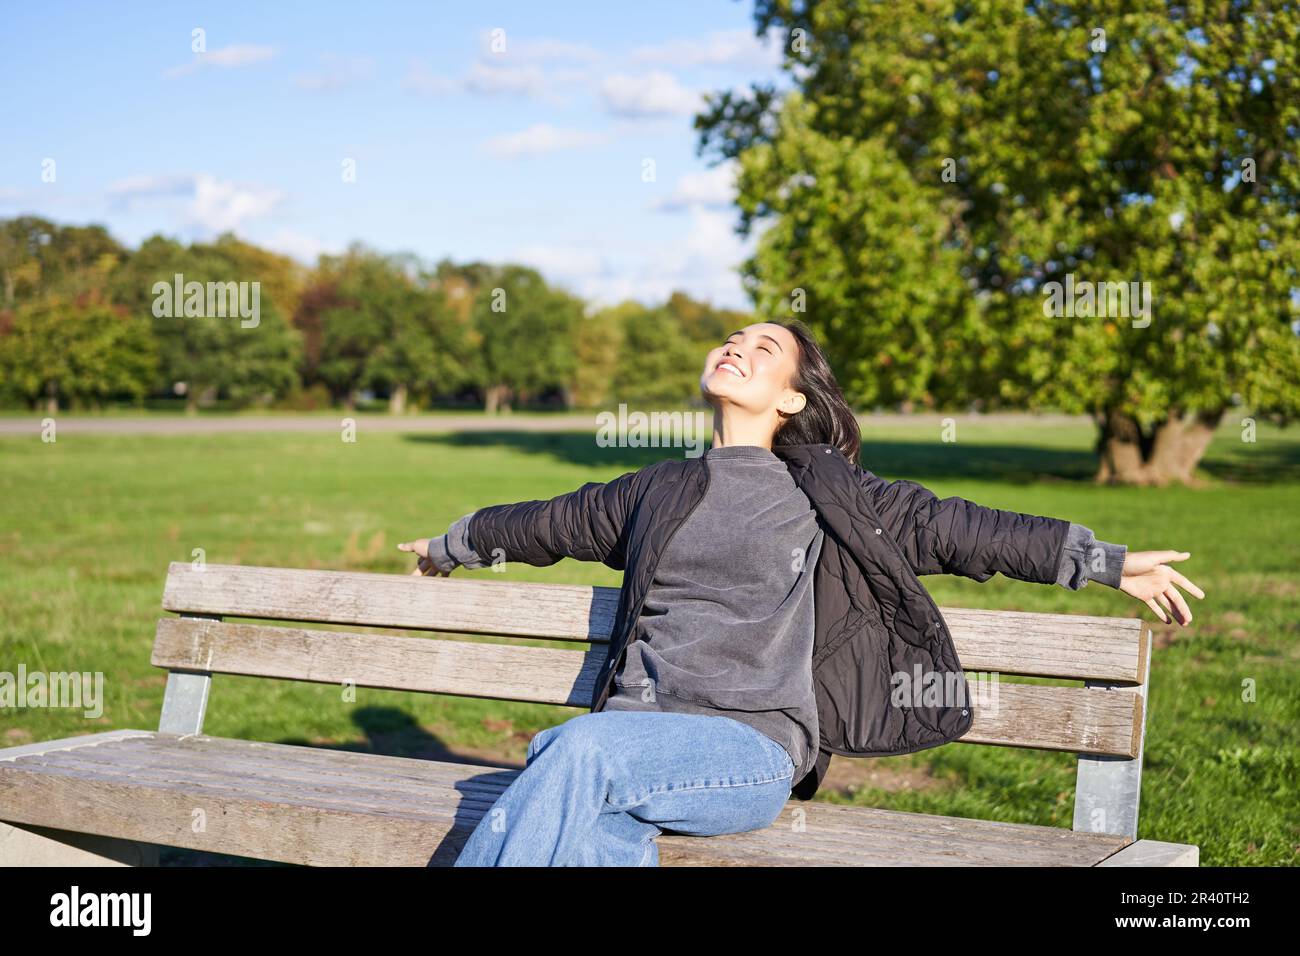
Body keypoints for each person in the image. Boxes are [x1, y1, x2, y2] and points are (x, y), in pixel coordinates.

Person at [398, 320, 1204, 867]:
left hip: (747, 750)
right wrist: (450, 546)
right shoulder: (657, 490)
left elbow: (964, 529)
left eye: (763, 347)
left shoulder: (829, 495)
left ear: (791, 399)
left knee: (572, 753)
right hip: (631, 742)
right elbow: (545, 523)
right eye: (731, 339)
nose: (736, 347)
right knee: (595, 816)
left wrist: (1106, 562)